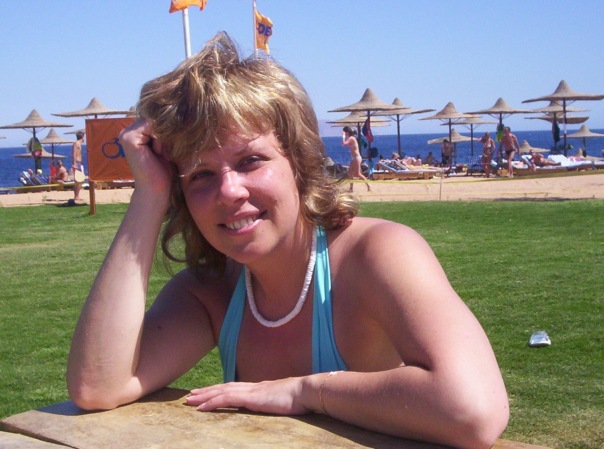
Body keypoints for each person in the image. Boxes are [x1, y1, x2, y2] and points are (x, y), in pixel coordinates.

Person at [66, 32, 508, 449]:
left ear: (299, 161)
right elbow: (97, 384)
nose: (228, 191)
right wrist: (150, 192)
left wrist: (305, 391)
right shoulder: (212, 290)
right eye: (200, 174)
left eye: (250, 161)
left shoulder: (376, 254)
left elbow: (473, 410)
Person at [342, 126, 371, 192]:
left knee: (358, 174)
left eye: (345, 133)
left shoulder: (351, 138)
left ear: (347, 132)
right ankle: (351, 188)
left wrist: (343, 136)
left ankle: (369, 186)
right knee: (350, 172)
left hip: (357, 157)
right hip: (354, 158)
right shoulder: (351, 138)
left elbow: (343, 144)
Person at [72, 131, 85, 202]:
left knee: (79, 180)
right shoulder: (76, 143)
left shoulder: (79, 144)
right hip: (77, 163)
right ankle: (76, 196)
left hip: (79, 163)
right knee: (79, 180)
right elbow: (74, 153)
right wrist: (74, 164)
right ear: (82, 137)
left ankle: (76, 196)